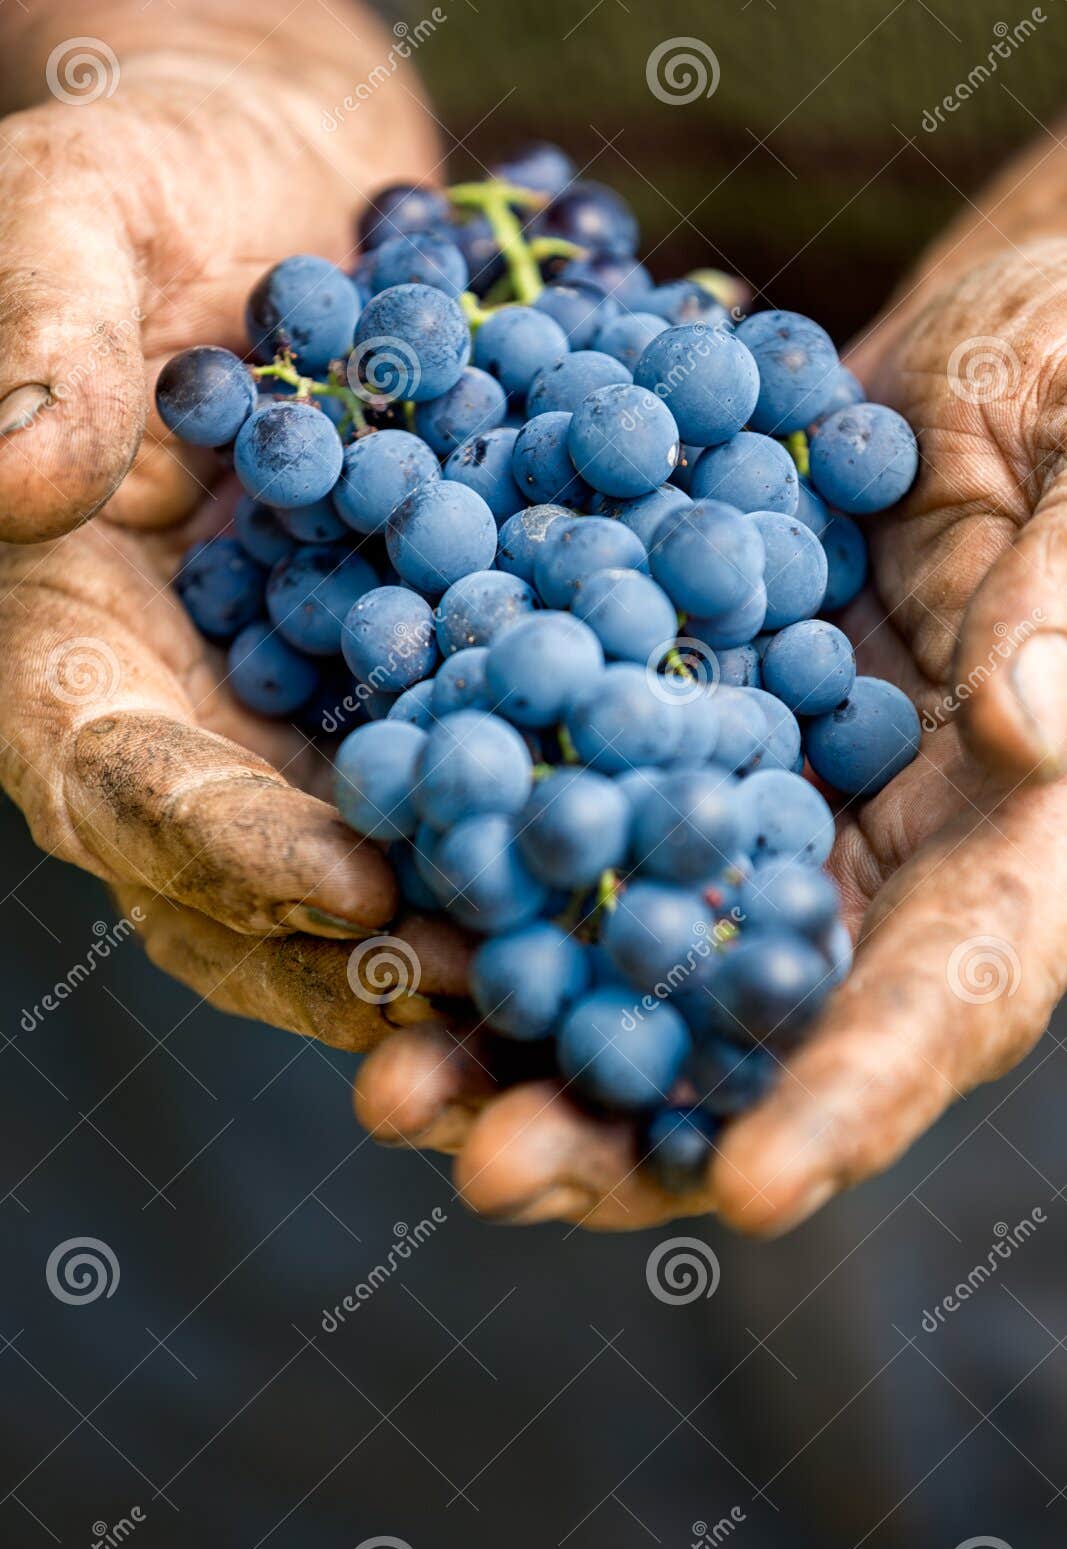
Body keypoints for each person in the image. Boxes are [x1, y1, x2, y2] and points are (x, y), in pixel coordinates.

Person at [1, 0, 1065, 1253]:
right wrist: (218, 45)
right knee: (208, 1281)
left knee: (938, 1339)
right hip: (163, 983)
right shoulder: (415, 443)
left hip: (918, 614)